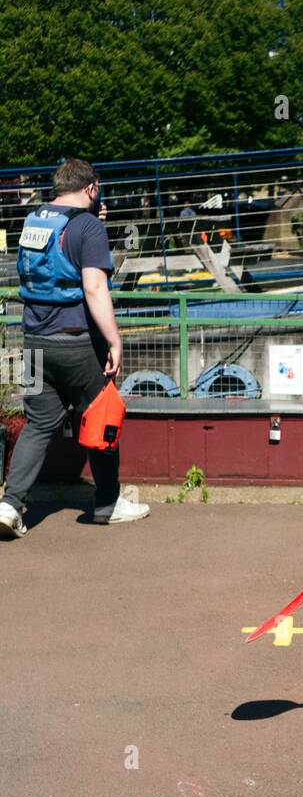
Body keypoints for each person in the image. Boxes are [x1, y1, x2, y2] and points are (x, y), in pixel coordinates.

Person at [0, 157, 149, 538]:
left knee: (37, 422)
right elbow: (94, 288)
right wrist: (114, 339)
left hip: (30, 342)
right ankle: (107, 504)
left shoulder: (33, 220)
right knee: (101, 417)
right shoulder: (87, 227)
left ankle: (10, 504)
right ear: (91, 189)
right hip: (75, 343)